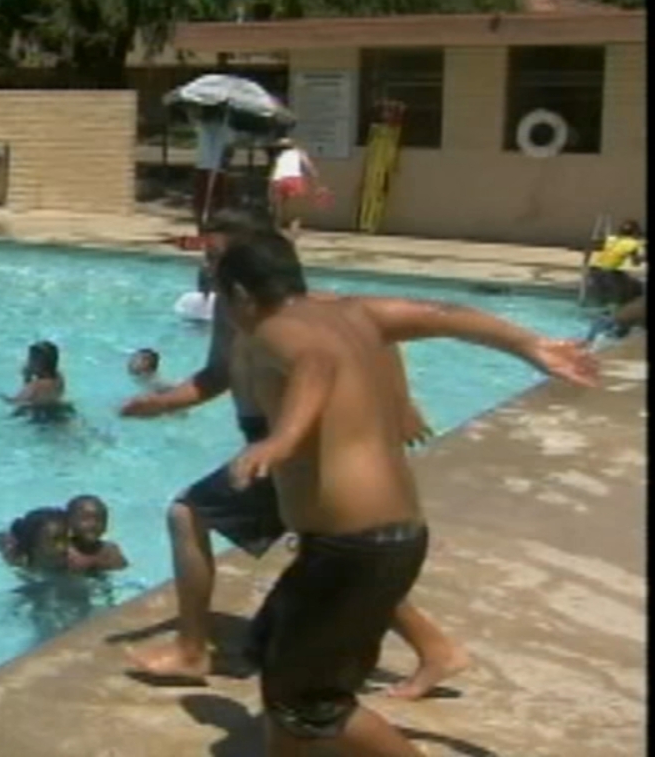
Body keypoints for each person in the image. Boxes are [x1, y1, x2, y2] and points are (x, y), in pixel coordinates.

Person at [211, 230, 597, 757]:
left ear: (239, 295)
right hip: (386, 538)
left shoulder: (271, 329)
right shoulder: (356, 313)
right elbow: (444, 314)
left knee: (309, 703)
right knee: (280, 664)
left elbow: (314, 367)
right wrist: (527, 343)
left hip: (354, 547)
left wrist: (281, 439)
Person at [117, 209, 460, 700]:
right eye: (208, 256)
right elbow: (217, 375)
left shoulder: (298, 308)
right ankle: (435, 648)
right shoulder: (229, 308)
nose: (210, 267)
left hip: (296, 444)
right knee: (335, 551)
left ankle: (192, 649)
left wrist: (401, 403)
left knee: (185, 514)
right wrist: (165, 402)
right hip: (268, 443)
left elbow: (372, 338)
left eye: (219, 257)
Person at [187, 104, 234, 230]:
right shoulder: (226, 128)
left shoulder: (202, 126)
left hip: (203, 166)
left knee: (201, 200)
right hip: (218, 168)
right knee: (218, 201)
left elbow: (192, 118)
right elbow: (229, 150)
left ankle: (202, 226)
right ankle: (214, 225)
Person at [267, 136, 324, 237]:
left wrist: (270, 184)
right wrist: (317, 181)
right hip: (293, 180)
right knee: (295, 209)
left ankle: (276, 231)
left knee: (277, 207)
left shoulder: (278, 155)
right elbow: (309, 166)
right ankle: (293, 232)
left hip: (278, 180)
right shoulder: (299, 152)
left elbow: (274, 170)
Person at [2, 341, 73, 423]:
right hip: (60, 409)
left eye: (30, 360)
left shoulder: (36, 385)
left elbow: (17, 401)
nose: (27, 363)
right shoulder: (58, 377)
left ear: (38, 364)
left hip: (42, 414)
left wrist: (26, 378)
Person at [0, 507, 75, 573]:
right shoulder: (18, 564)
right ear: (33, 546)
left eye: (71, 538)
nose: (68, 545)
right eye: (56, 540)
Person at [586, 220, 645, 308]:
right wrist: (643, 257)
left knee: (602, 296)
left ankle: (599, 309)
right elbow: (636, 263)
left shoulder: (611, 239)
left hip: (594, 270)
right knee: (635, 288)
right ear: (635, 232)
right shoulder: (633, 243)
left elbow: (592, 244)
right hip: (611, 273)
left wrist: (587, 259)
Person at [65, 495, 129, 573]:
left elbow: (124, 574)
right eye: (85, 518)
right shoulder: (64, 552)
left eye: (99, 519)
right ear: (69, 521)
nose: (93, 524)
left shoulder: (110, 551)